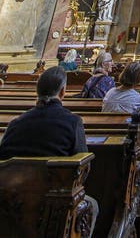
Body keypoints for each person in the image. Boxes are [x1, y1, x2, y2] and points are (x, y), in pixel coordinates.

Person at [0, 66, 98, 230]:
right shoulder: (72, 122)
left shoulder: (15, 124)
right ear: (62, 92)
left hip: (12, 202)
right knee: (92, 205)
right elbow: (83, 165)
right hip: (55, 203)